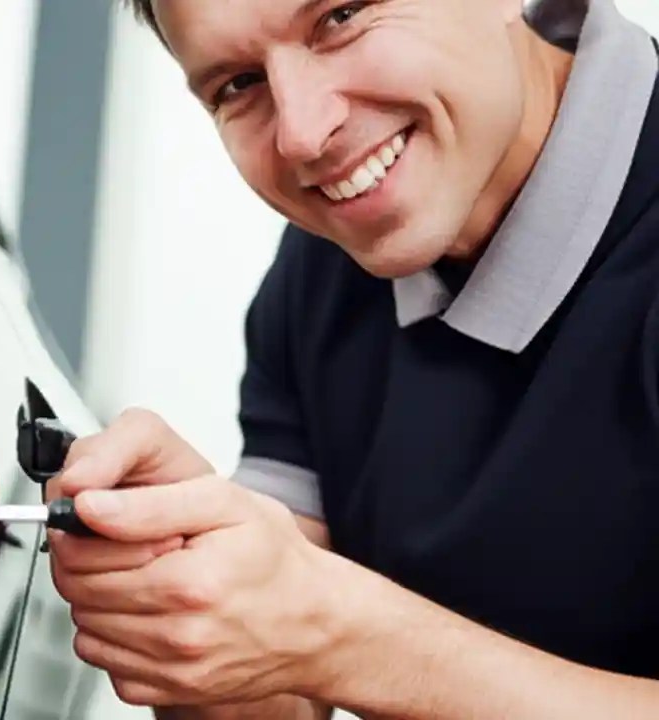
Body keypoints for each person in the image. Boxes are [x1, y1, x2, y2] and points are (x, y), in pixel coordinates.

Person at [43, 0, 659, 718]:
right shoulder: (321, 273)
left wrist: (347, 638)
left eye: (340, 17)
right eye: (238, 85)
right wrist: (186, 580)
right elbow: (280, 697)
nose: (304, 135)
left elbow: (326, 644)